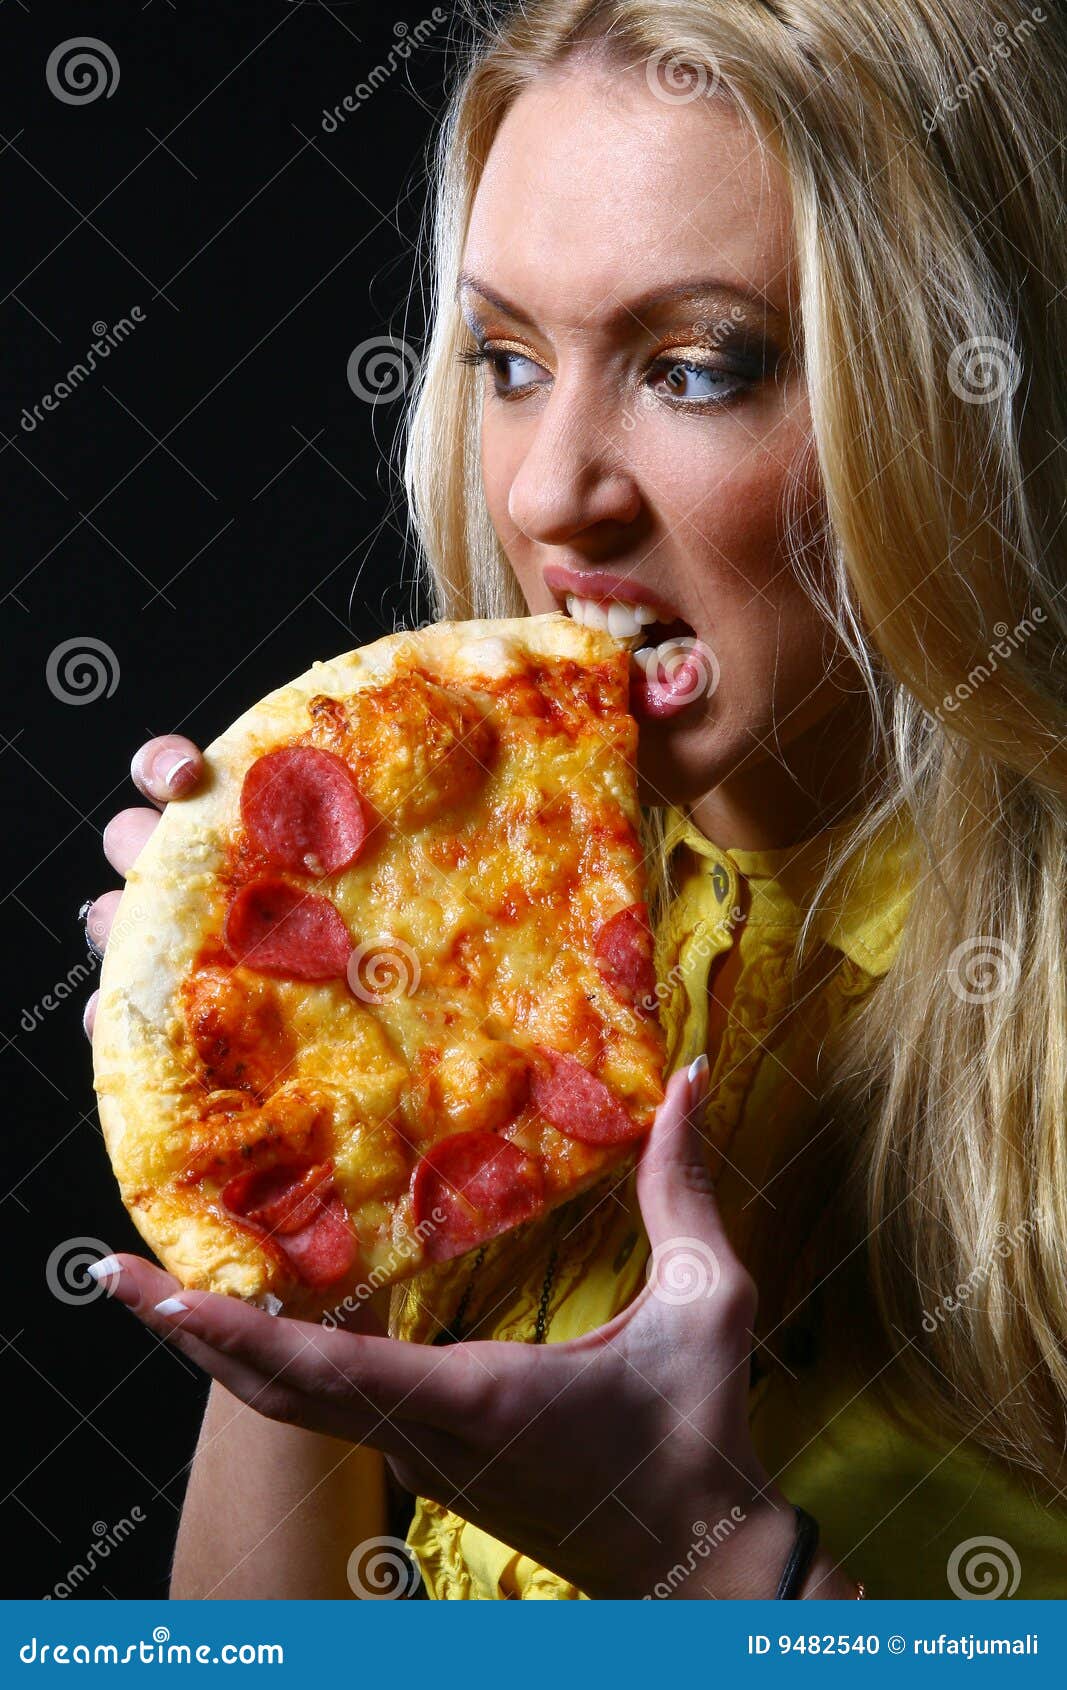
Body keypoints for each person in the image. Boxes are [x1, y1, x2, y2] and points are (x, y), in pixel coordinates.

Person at [82, 0, 1067, 1599]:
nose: (548, 493)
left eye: (694, 369)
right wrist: (304, 1193)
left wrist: (708, 1558)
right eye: (510, 361)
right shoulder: (487, 966)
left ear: (957, 395)